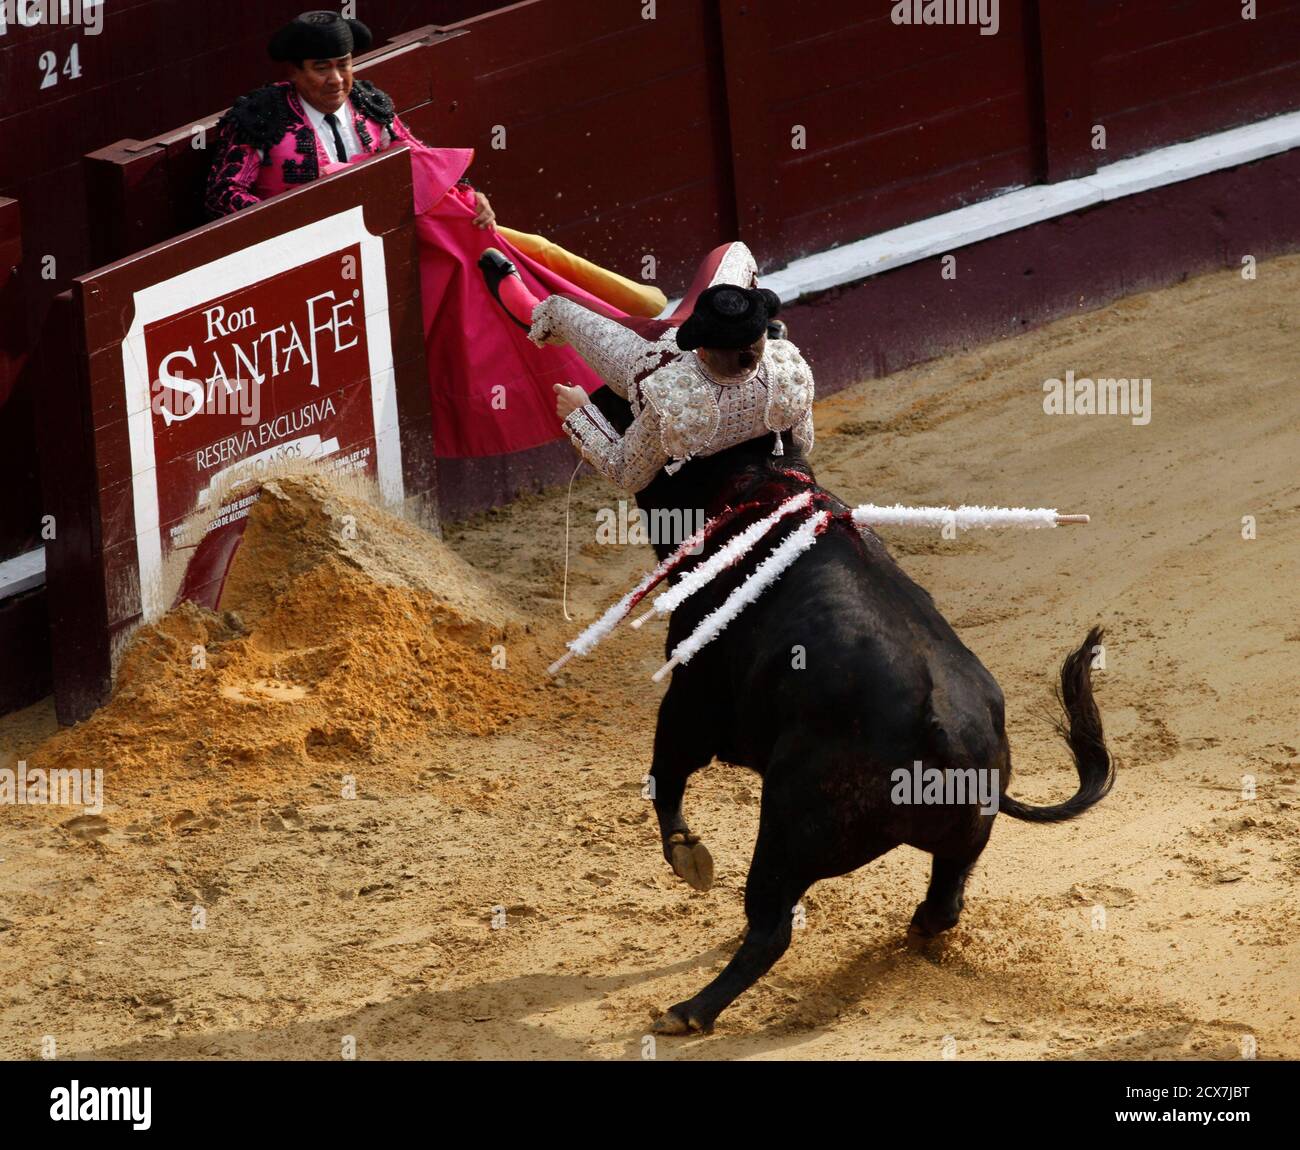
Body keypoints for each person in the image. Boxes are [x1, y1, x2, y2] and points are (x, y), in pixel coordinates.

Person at [203, 9, 666, 458]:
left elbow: (419, 156)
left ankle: (629, 318)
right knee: (510, 256)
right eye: (320, 69)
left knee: (503, 249)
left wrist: (467, 190)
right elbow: (224, 195)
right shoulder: (259, 119)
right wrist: (298, 216)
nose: (336, 80)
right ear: (295, 72)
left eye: (343, 65)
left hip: (395, 248)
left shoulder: (367, 103)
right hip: (310, 267)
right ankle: (634, 313)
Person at [478, 241, 814, 493]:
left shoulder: (668, 397)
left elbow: (626, 470)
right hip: (724, 361)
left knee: (559, 309)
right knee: (735, 252)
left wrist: (579, 413)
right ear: (761, 338)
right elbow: (801, 445)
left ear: (700, 348)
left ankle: (526, 313)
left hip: (648, 354)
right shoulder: (789, 366)